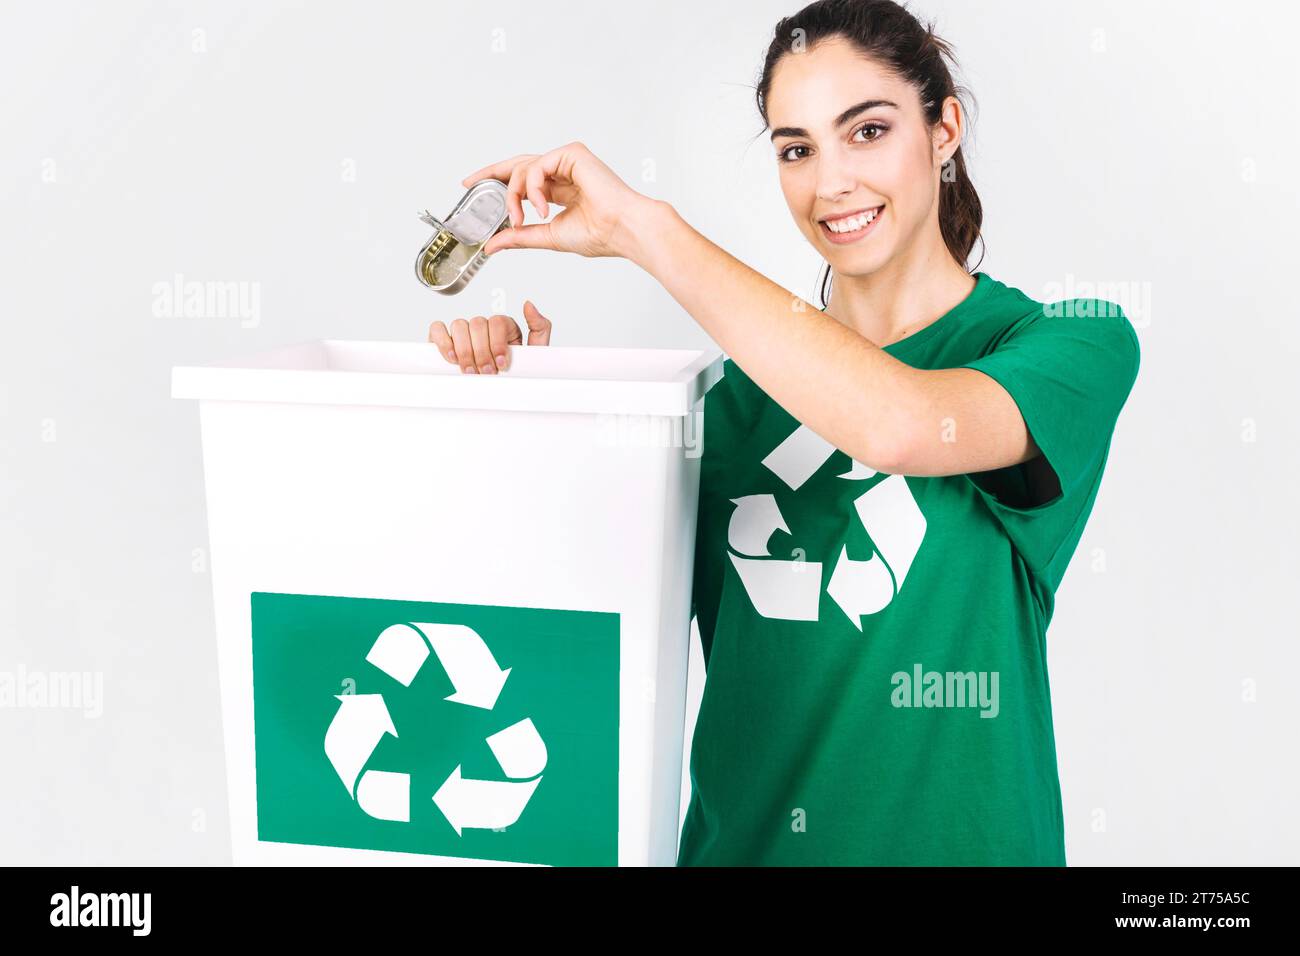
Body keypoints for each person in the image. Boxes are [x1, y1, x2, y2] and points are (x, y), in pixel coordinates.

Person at [425, 0, 1140, 865]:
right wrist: (525, 412)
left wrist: (644, 231)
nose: (829, 182)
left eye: (867, 131)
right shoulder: (717, 411)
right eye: (796, 149)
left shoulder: (1066, 348)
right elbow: (565, 635)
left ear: (943, 129)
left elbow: (898, 424)